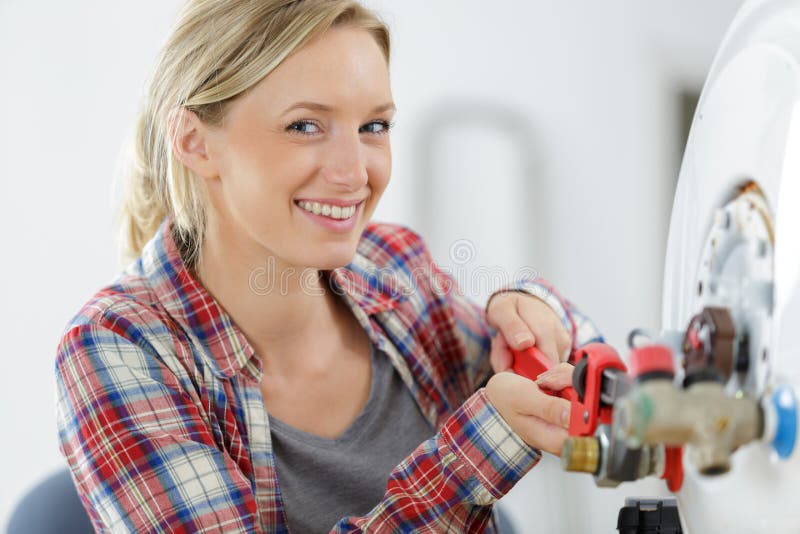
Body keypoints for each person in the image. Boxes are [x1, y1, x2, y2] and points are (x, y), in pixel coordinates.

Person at [54, 0, 603, 532]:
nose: (353, 173)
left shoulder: (392, 270)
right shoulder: (115, 346)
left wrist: (533, 313)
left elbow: (589, 373)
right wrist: (481, 451)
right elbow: (490, 437)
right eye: (304, 126)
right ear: (197, 143)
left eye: (374, 127)